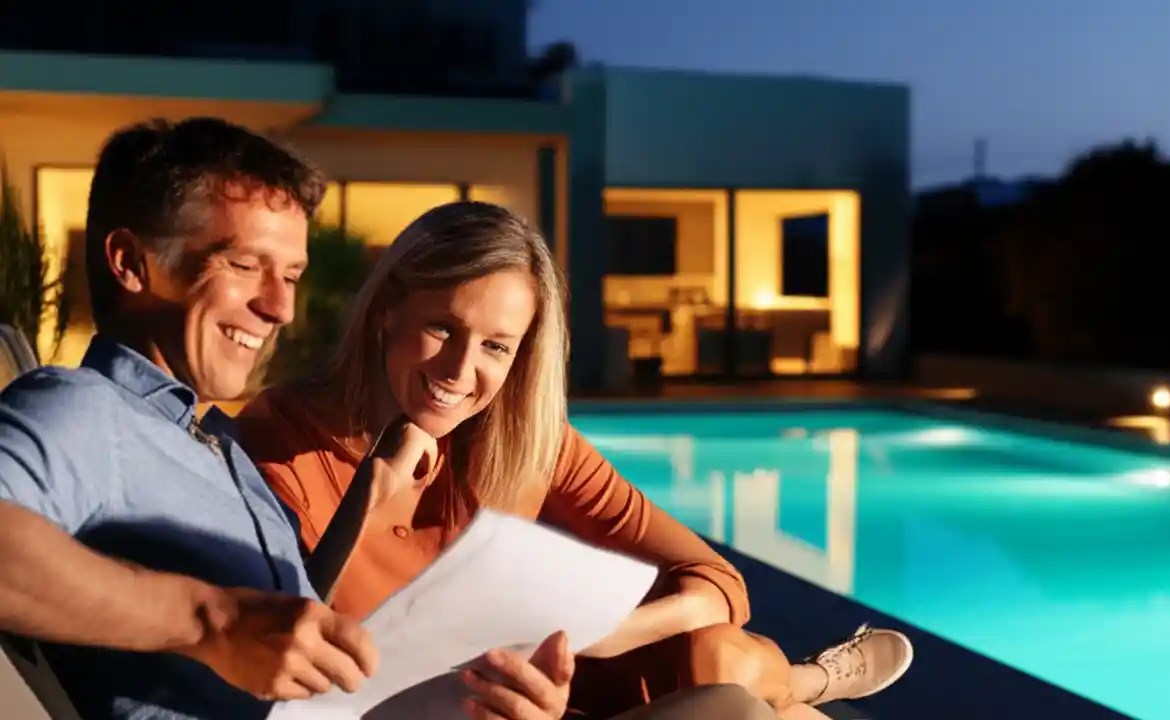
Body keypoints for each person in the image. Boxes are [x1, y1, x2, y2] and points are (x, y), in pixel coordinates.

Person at [236, 201, 914, 719]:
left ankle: (797, 682)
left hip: (559, 699)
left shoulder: (526, 439)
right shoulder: (283, 435)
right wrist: (367, 495)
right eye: (442, 328)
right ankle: (795, 688)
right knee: (734, 704)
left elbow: (717, 581)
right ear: (387, 312)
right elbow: (273, 667)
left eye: (496, 347)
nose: (460, 371)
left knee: (717, 654)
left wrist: (606, 637)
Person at [0, 118, 570, 720]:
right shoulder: (86, 410)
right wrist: (212, 622)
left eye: (291, 275)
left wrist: (466, 698)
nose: (279, 308)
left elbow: (286, 666)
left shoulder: (213, 442)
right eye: (245, 265)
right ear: (131, 264)